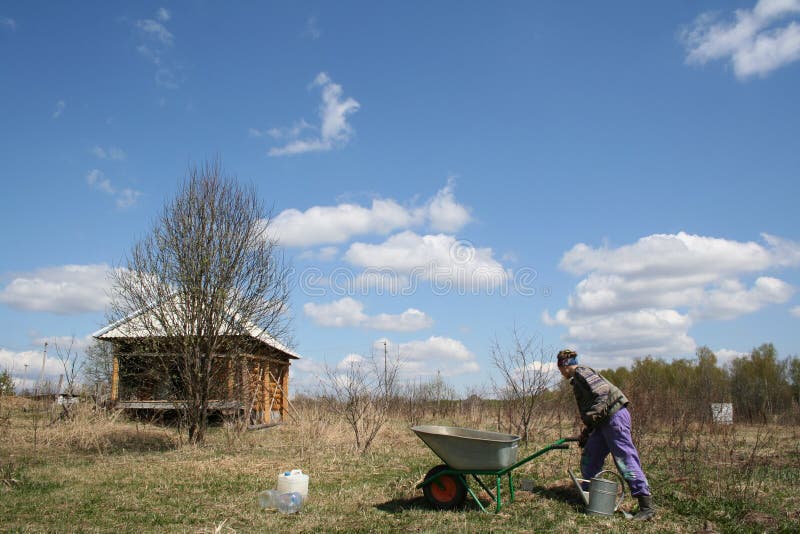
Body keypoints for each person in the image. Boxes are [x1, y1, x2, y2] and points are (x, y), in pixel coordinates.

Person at [558, 349, 655, 521]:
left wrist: (591, 418)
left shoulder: (581, 372)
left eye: (560, 368)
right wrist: (588, 431)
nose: (560, 372)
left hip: (614, 418)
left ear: (564, 366)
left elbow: (602, 392)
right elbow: (596, 407)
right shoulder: (577, 378)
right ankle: (591, 496)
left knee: (625, 459)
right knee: (591, 456)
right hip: (603, 422)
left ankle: (646, 506)